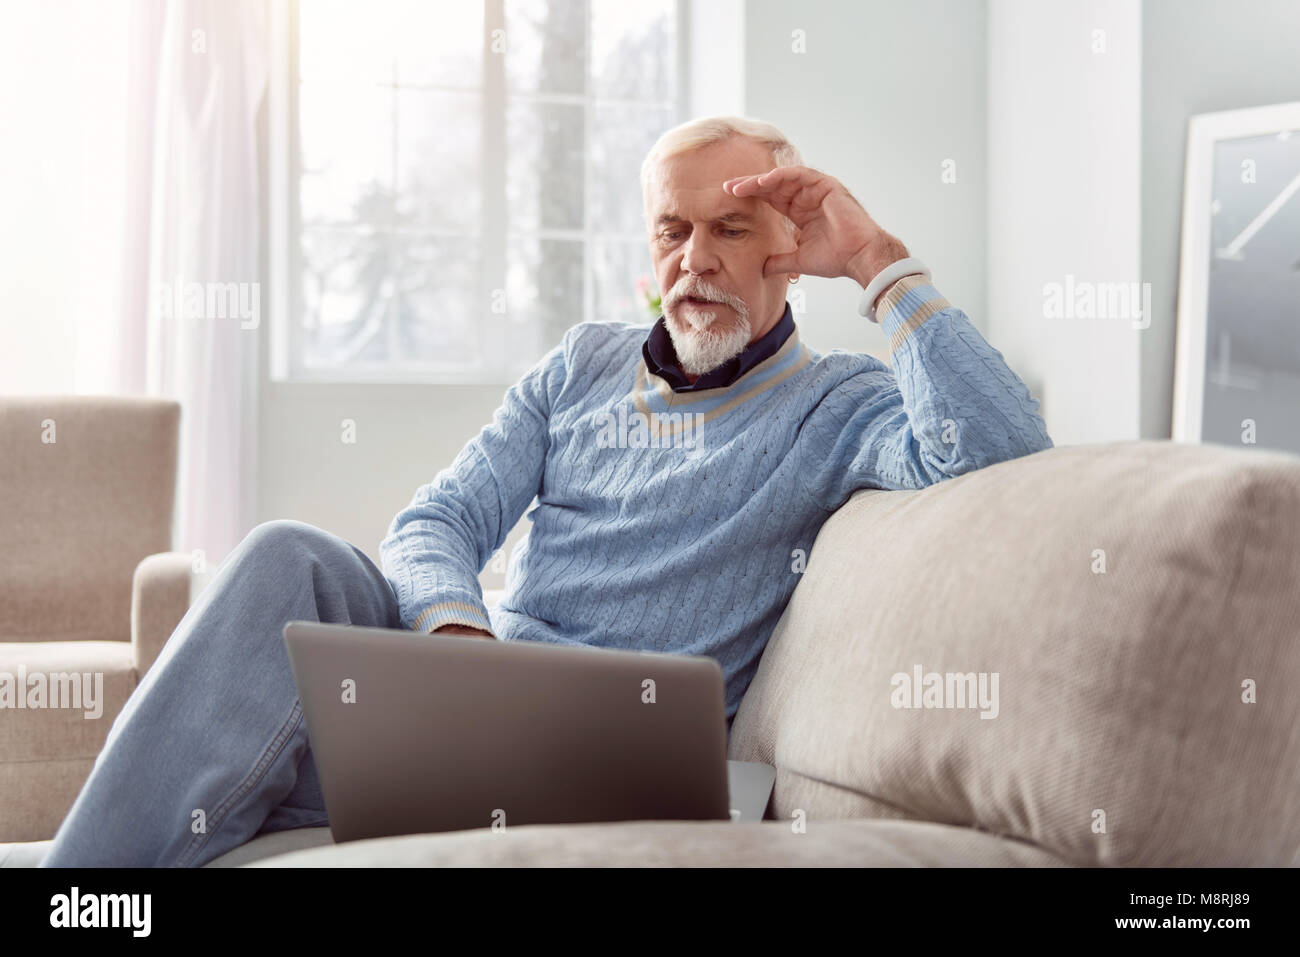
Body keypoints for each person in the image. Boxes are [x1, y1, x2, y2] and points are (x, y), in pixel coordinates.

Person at [41, 115, 1051, 867]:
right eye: (671, 230)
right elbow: (437, 520)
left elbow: (1004, 449)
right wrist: (455, 636)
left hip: (604, 754)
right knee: (285, 556)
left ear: (789, 249)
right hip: (470, 699)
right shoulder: (582, 366)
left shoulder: (837, 403)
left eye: (732, 230)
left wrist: (875, 261)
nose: (694, 259)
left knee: (247, 750)